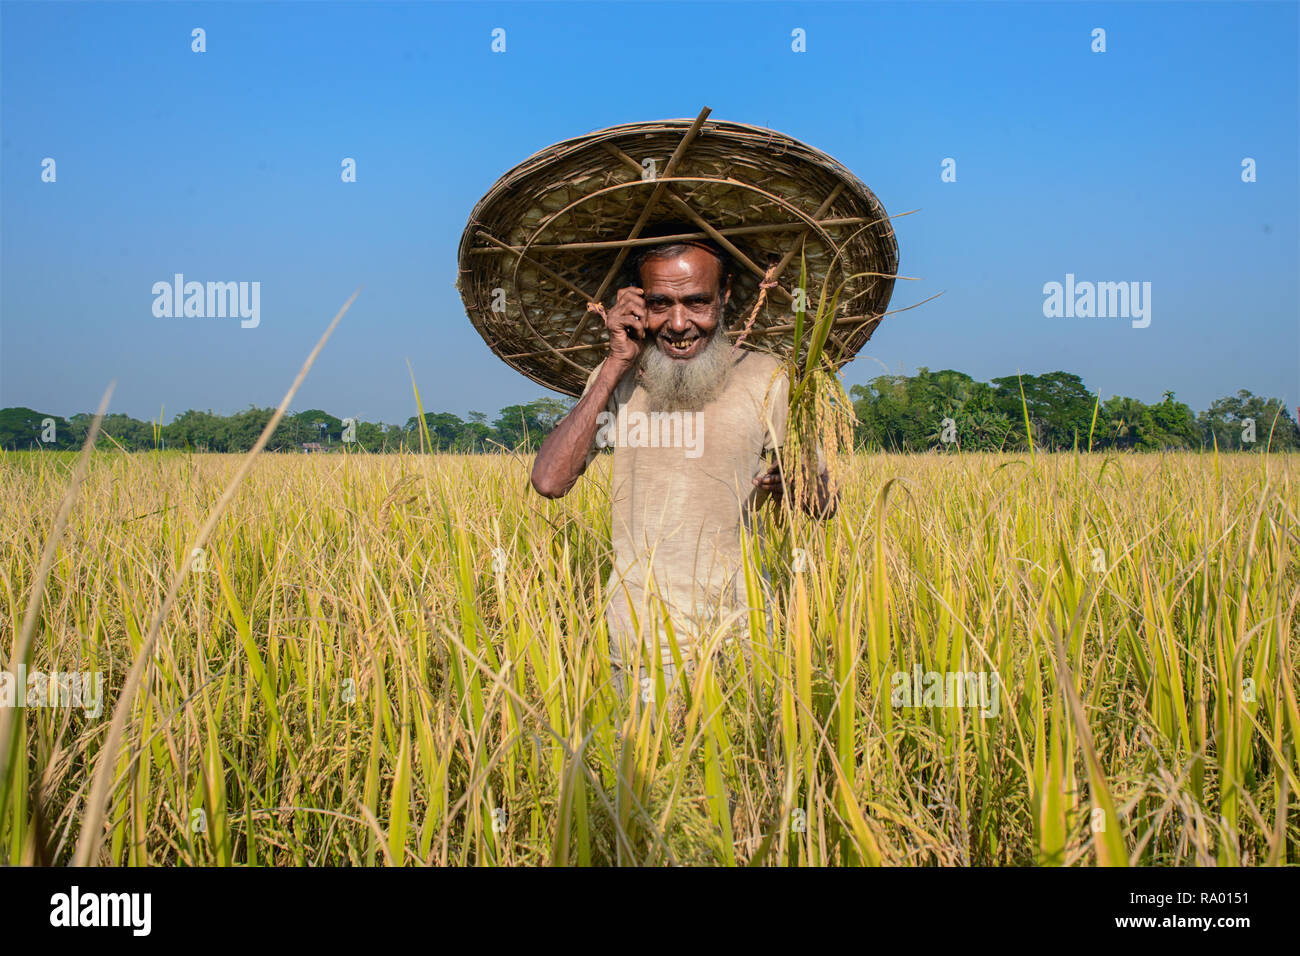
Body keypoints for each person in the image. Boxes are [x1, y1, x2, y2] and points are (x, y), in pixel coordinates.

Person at [530, 223, 835, 707]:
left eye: (696, 302)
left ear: (725, 296)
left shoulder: (769, 379)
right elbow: (549, 481)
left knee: (746, 774)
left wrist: (798, 486)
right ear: (637, 304)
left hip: (745, 632)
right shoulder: (617, 380)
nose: (677, 323)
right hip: (641, 639)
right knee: (647, 774)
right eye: (659, 304)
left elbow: (823, 504)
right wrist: (613, 364)